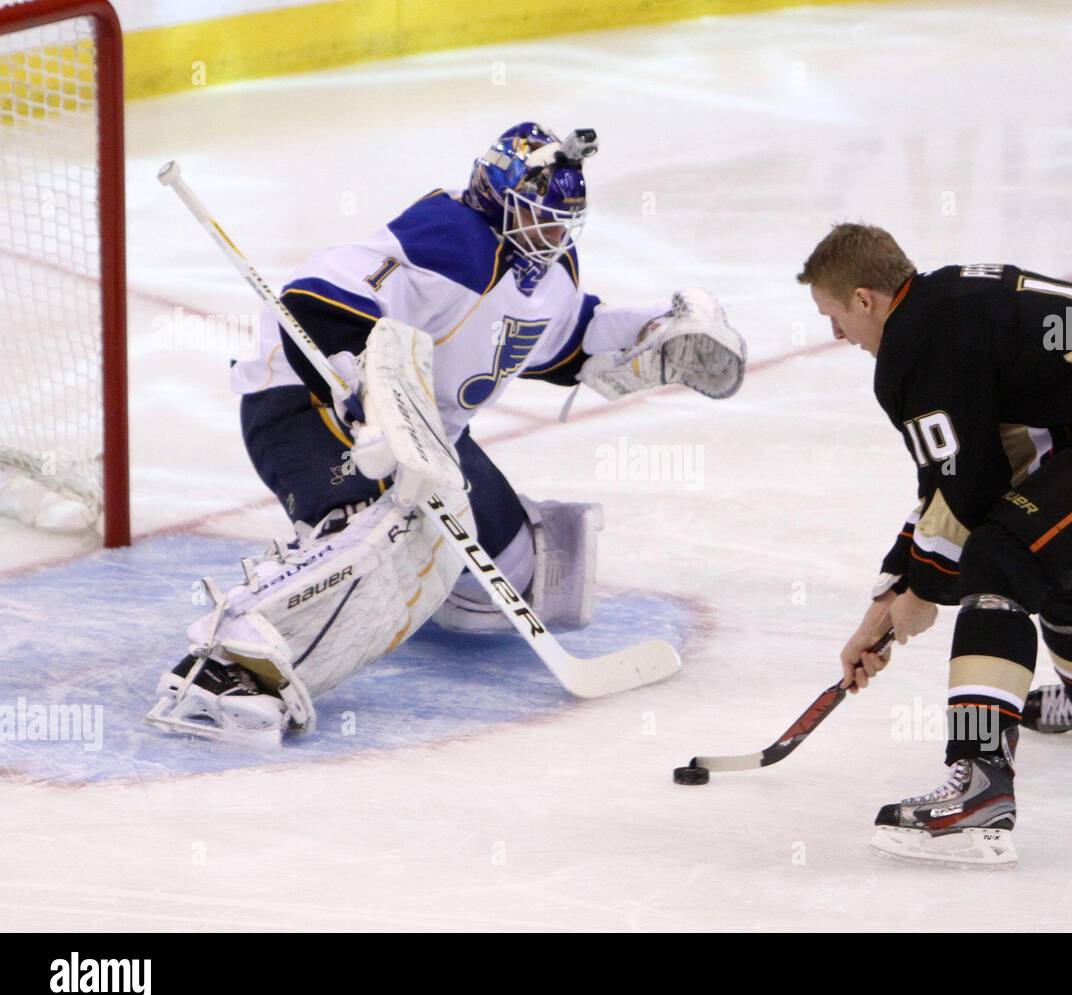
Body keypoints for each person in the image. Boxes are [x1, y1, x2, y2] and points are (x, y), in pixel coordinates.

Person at [146, 122, 746, 742]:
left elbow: (566, 343)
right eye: (538, 218)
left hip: (425, 433)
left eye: (562, 223)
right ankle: (226, 666)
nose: (551, 235)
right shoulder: (450, 239)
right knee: (390, 537)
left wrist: (653, 332)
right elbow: (313, 300)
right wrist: (361, 386)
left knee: (514, 581)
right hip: (306, 404)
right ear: (496, 198)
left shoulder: (552, 270)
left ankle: (393, 587)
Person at [797, 223, 1072, 868]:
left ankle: (978, 791)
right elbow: (972, 475)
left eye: (835, 315)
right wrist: (889, 593)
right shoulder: (950, 301)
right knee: (1052, 563)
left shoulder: (918, 348)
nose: (837, 335)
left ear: (865, 299)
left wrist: (925, 591)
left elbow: (968, 484)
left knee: (1000, 565)